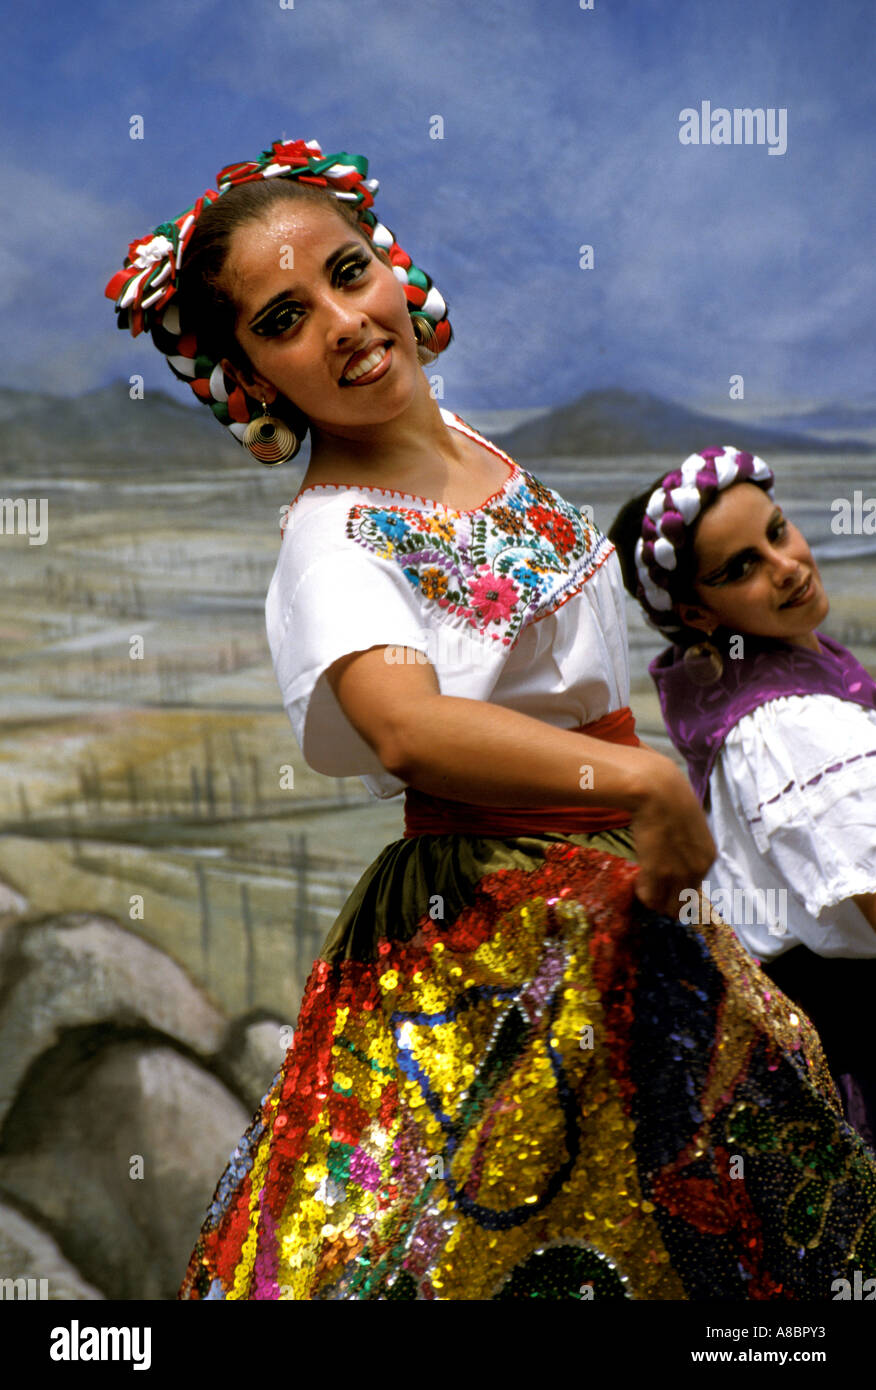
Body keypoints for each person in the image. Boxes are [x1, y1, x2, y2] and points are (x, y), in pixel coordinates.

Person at [107, 139, 876, 1301]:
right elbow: (409, 729)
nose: (343, 321)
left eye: (349, 271)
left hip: (610, 879)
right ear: (250, 376)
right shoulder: (334, 540)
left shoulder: (468, 447)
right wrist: (644, 785)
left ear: (396, 269)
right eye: (281, 319)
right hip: (504, 918)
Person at [609, 452, 876, 1142]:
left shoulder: (789, 690)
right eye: (742, 568)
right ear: (699, 612)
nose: (785, 566)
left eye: (778, 533)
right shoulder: (786, 726)